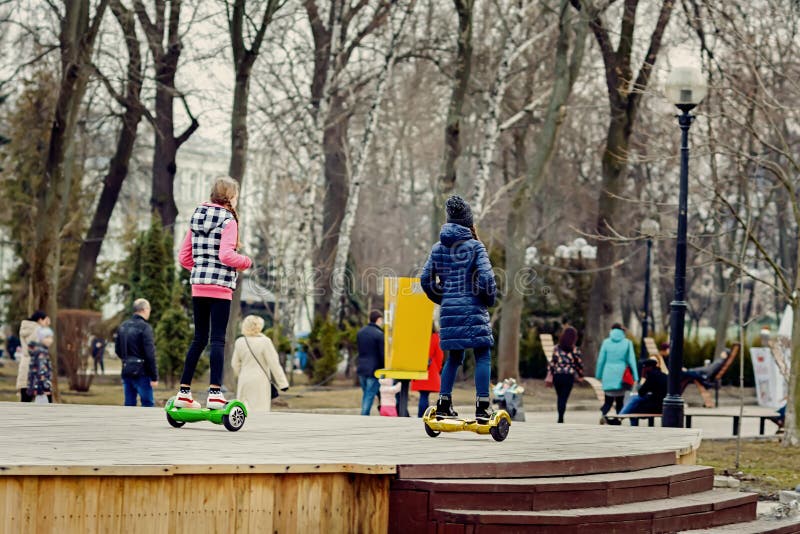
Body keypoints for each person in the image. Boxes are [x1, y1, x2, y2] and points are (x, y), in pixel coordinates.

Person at [175, 176, 253, 409]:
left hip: (199, 286)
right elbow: (226, 256)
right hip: (220, 288)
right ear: (230, 196)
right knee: (217, 340)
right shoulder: (229, 220)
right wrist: (246, 261)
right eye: (236, 195)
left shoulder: (197, 215)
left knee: (198, 339)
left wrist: (200, 271)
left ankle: (183, 393)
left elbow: (183, 257)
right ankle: (215, 394)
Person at [420, 195, 497, 422]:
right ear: (468, 222)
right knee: (482, 354)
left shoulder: (438, 248)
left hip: (449, 310)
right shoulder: (475, 247)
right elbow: (486, 279)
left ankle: (444, 403)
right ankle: (483, 406)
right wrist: (487, 299)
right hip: (473, 307)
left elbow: (425, 279)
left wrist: (443, 298)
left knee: (453, 358)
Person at [231, 314, 289, 413]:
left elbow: (234, 364)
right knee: (260, 410)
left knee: (243, 410)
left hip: (244, 379)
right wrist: (283, 384)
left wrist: (240, 374)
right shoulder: (265, 342)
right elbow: (274, 364)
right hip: (260, 381)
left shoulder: (239, 342)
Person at [115, 299, 158, 407]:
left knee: (129, 404)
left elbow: (118, 350)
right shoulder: (145, 327)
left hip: (126, 369)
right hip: (142, 372)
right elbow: (149, 354)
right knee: (147, 404)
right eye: (149, 309)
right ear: (144, 309)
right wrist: (154, 377)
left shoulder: (123, 326)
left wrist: (127, 360)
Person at [596, 323, 638, 423]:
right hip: (622, 375)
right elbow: (631, 360)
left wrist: (598, 375)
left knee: (608, 400)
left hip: (608, 373)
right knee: (620, 401)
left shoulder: (606, 342)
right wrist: (636, 377)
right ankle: (618, 420)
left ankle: (604, 415)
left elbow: (601, 360)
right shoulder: (627, 343)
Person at [614, 358, 667, 426]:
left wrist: (643, 377)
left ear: (649, 367)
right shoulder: (663, 375)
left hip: (656, 406)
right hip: (663, 406)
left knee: (634, 404)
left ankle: (620, 418)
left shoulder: (652, 376)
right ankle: (619, 418)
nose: (643, 369)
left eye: (644, 367)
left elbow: (641, 392)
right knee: (635, 401)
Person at [549, 326, 584, 423]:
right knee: (564, 397)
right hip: (568, 376)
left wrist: (551, 373)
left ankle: (560, 416)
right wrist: (580, 375)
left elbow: (552, 363)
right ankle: (561, 417)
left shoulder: (556, 348)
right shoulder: (575, 350)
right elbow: (579, 364)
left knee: (560, 397)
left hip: (558, 375)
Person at [411, 325, 444, 417]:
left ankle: (420, 414)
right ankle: (423, 415)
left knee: (423, 395)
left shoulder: (418, 337)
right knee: (425, 395)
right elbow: (439, 355)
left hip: (419, 367)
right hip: (431, 370)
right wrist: (437, 368)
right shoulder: (435, 337)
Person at [16, 311, 50, 402]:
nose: (47, 322)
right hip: (35, 365)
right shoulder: (38, 330)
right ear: (40, 320)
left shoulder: (26, 329)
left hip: (26, 362)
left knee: (25, 398)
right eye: (46, 320)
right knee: (45, 397)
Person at [356, 310, 384, 416]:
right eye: (381, 320)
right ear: (378, 319)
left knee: (366, 394)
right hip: (374, 370)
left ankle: (368, 413)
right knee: (369, 395)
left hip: (361, 368)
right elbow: (382, 354)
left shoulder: (360, 332)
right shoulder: (379, 334)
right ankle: (364, 416)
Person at [27, 327, 54, 403]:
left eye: (51, 338)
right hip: (40, 386)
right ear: (41, 338)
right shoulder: (41, 352)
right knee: (42, 407)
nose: (50, 340)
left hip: (38, 385)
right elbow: (41, 370)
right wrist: (45, 386)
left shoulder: (40, 351)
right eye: (47, 337)